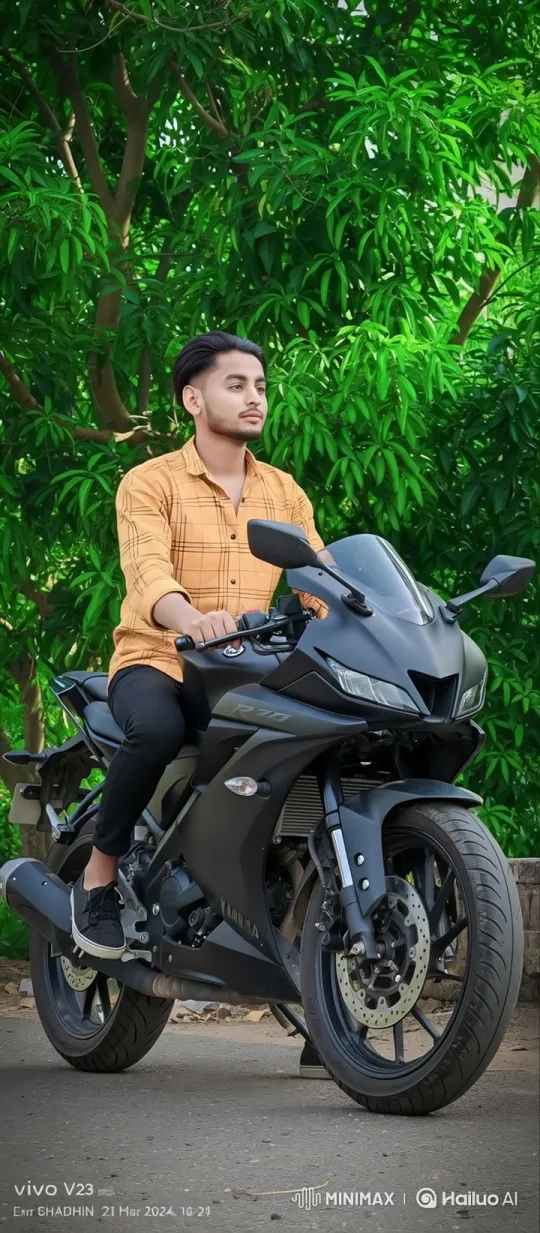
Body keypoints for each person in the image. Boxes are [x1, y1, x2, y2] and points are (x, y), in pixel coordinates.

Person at [70, 330, 330, 1077]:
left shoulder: (284, 493)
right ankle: (98, 877)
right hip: (158, 658)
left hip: (247, 670)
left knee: (322, 758)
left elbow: (321, 576)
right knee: (153, 731)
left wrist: (367, 612)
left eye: (261, 386)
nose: (254, 397)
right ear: (193, 398)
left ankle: (318, 982)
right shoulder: (149, 482)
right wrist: (191, 618)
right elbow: (147, 570)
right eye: (236, 384)